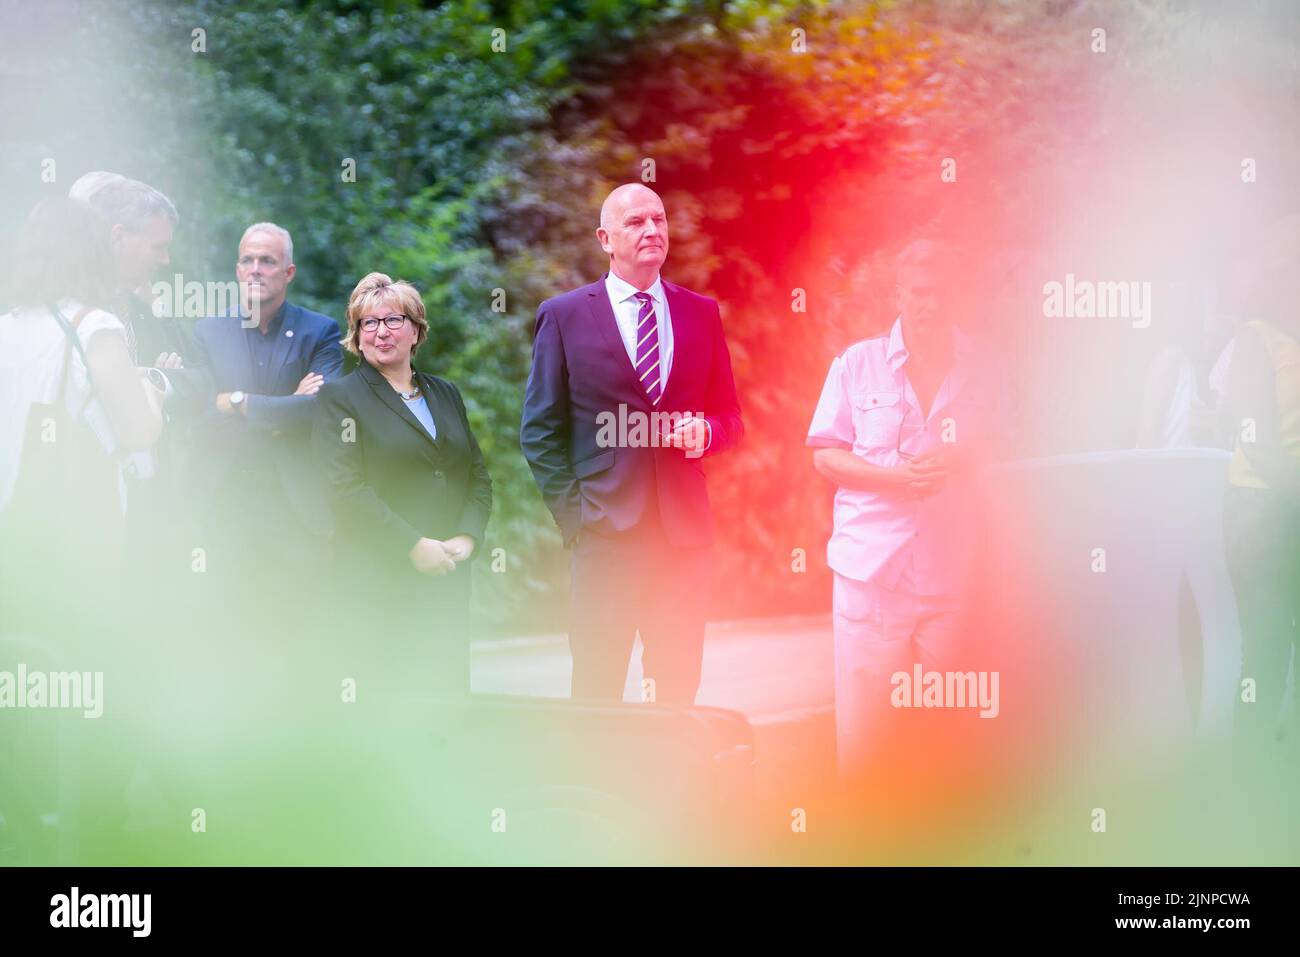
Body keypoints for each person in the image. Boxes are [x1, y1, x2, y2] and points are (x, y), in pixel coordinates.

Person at [520, 183, 744, 705]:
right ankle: (598, 787)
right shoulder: (565, 315)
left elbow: (731, 416)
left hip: (682, 539)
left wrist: (706, 432)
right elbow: (539, 430)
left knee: (676, 692)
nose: (651, 231)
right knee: (596, 691)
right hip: (605, 538)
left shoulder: (700, 314)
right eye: (635, 222)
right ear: (605, 238)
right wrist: (576, 518)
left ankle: (666, 786)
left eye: (659, 220)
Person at [806, 239, 992, 778]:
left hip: (954, 574)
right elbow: (825, 455)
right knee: (865, 741)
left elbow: (1013, 448)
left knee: (954, 740)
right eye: (920, 292)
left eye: (942, 294)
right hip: (872, 576)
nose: (931, 304)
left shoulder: (984, 367)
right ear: (899, 295)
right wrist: (896, 479)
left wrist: (962, 457)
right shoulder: (856, 365)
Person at [312, 272, 492, 700]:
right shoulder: (341, 399)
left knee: (445, 707)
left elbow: (477, 476)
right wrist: (412, 544)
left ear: (416, 329)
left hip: (446, 583)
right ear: (357, 336)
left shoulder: (445, 394)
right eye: (367, 324)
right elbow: (345, 489)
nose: (380, 332)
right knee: (388, 709)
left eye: (392, 320)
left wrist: (467, 537)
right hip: (379, 584)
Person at [191, 222, 343, 580]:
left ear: (289, 272)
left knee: (293, 625)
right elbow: (198, 417)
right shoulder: (207, 331)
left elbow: (320, 410)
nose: (255, 269)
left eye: (267, 261)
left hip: (293, 509)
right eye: (247, 260)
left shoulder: (320, 332)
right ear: (237, 270)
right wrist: (287, 407)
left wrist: (238, 402)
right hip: (221, 504)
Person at [1222, 214, 1300, 753]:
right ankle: (1243, 779)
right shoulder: (1256, 340)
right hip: (1261, 514)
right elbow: (1254, 437)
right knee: (1267, 654)